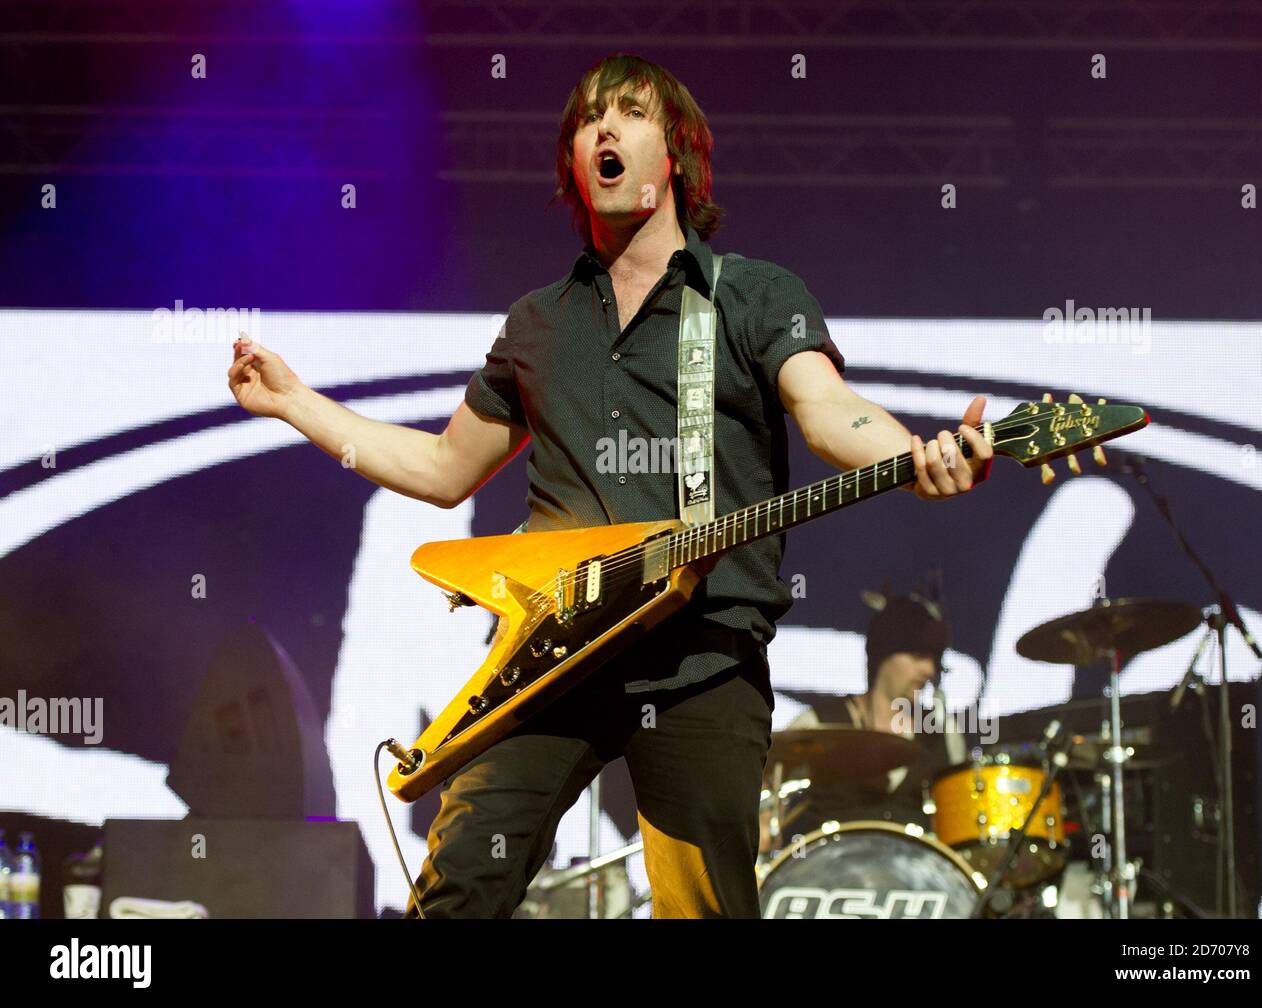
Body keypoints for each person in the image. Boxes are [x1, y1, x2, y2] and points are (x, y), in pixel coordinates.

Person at [226, 53, 994, 918]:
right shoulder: (538, 324)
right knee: (461, 881)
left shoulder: (747, 295)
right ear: (573, 167)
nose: (604, 130)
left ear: (674, 158)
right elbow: (443, 472)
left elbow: (826, 411)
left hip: (702, 655)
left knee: (705, 907)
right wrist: (295, 404)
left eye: (628, 114)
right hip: (554, 656)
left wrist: (912, 458)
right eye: (589, 120)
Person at [783, 592, 960, 830]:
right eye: (918, 655)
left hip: (914, 864)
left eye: (934, 660)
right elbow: (771, 803)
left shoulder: (943, 731)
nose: (929, 669)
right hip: (832, 863)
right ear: (883, 655)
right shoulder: (818, 724)